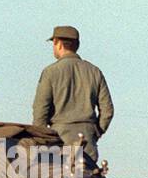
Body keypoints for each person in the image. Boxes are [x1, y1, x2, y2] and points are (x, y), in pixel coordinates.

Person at [32, 25, 113, 165]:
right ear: (77, 45)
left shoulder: (50, 72)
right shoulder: (94, 71)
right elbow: (107, 110)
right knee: (88, 177)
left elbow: (40, 112)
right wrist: (95, 132)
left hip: (59, 139)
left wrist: (42, 140)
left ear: (57, 43)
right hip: (87, 141)